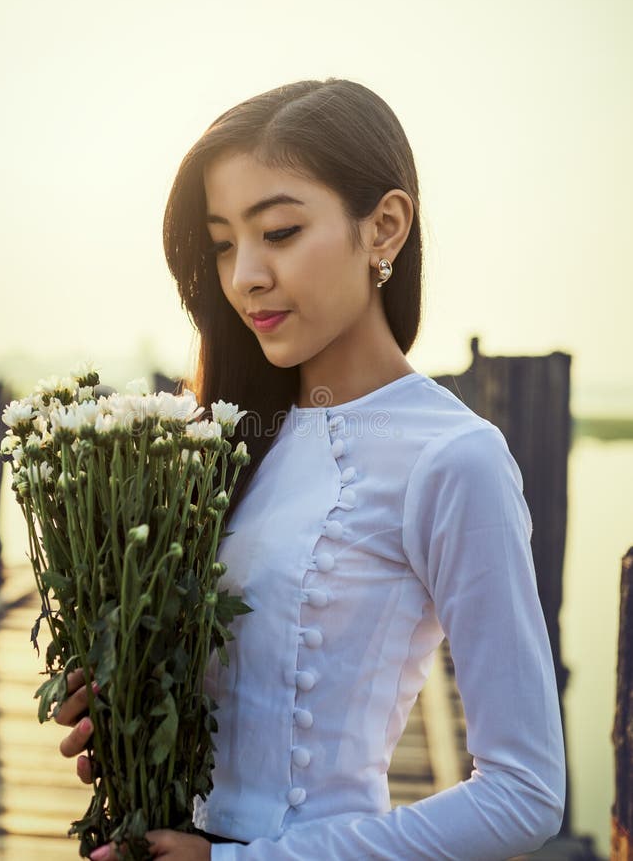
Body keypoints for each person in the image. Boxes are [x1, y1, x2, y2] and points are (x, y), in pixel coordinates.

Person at [54, 78, 566, 860]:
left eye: (280, 231)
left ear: (383, 227)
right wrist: (127, 697)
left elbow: (524, 794)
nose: (244, 276)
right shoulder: (222, 439)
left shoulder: (452, 457)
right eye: (222, 243)